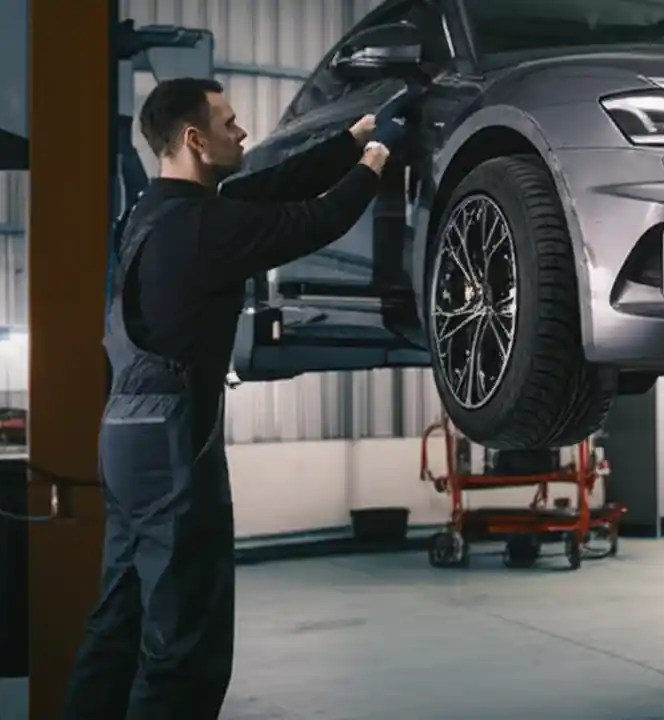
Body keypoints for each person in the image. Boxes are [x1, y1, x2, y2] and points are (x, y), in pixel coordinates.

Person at [62, 77, 406, 719]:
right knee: (183, 644)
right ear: (195, 139)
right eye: (229, 123)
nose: (243, 132)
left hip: (123, 437)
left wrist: (351, 138)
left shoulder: (149, 214)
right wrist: (377, 160)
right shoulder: (207, 230)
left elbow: (267, 188)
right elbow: (318, 219)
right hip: (171, 446)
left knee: (119, 620)